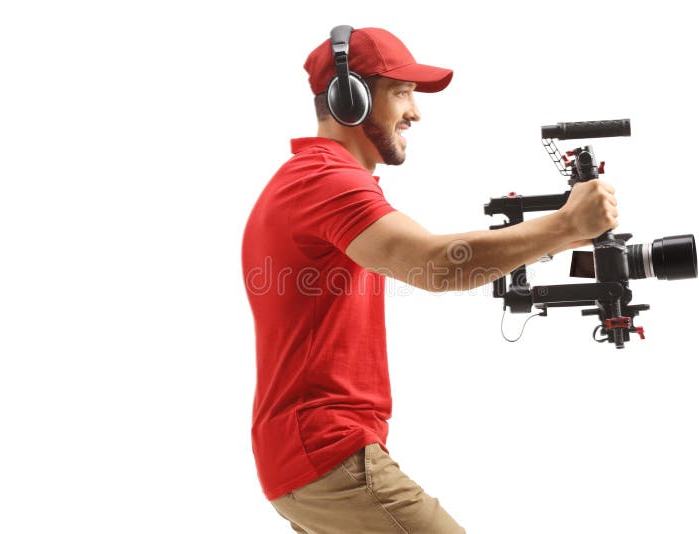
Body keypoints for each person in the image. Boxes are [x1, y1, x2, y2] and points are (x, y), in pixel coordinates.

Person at [241, 26, 619, 534]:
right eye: (401, 93)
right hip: (328, 452)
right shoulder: (323, 182)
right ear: (348, 98)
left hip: (309, 456)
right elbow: (436, 265)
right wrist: (567, 224)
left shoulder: (311, 181)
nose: (415, 112)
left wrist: (558, 236)